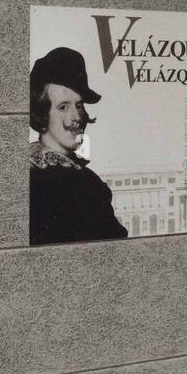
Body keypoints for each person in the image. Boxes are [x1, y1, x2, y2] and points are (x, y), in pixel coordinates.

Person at [28, 46, 128, 245]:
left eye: (79, 105)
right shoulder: (52, 183)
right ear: (42, 114)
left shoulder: (81, 177)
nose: (76, 117)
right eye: (63, 107)